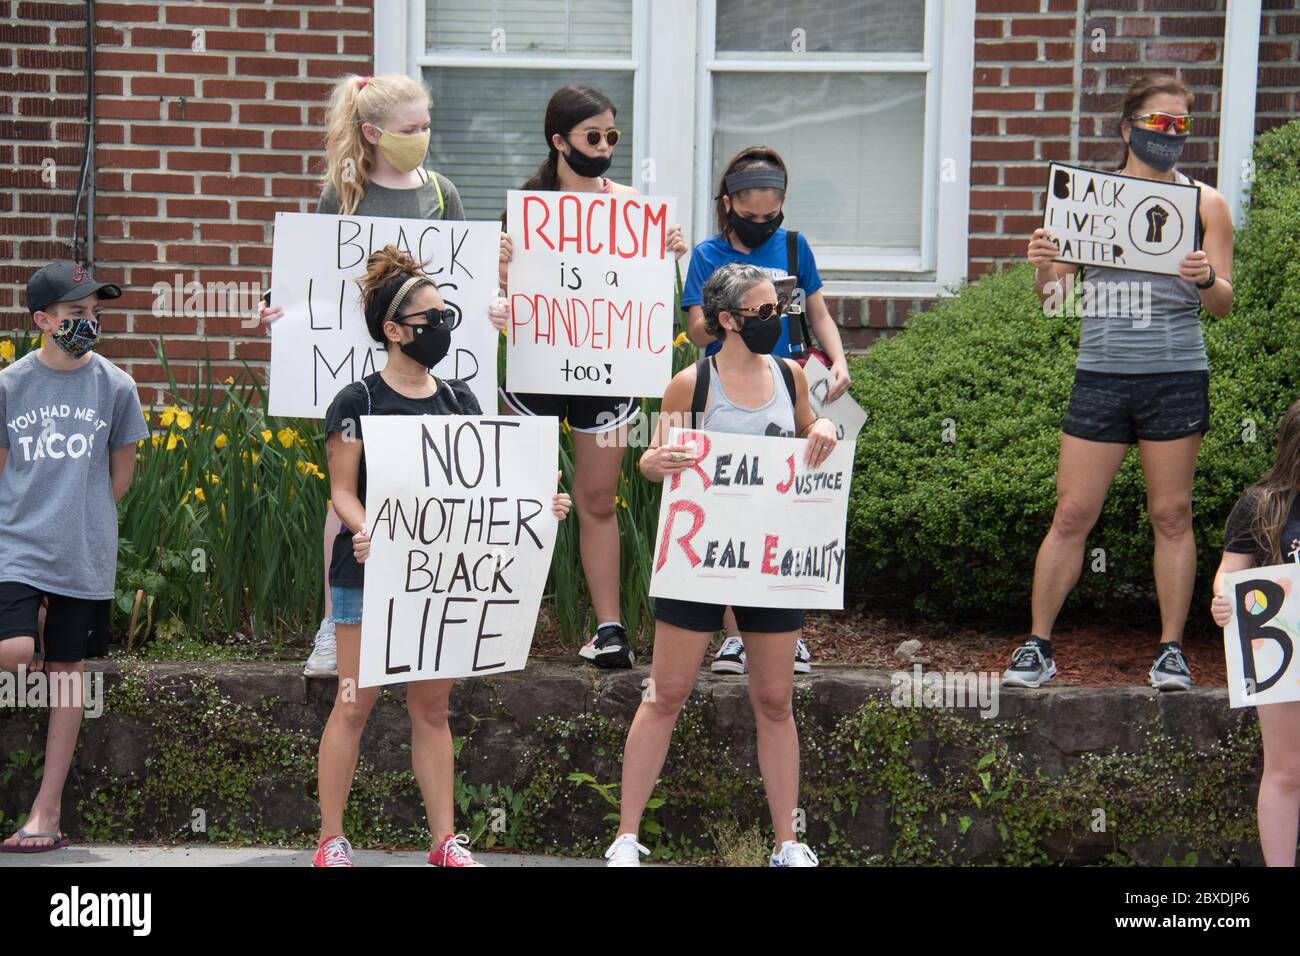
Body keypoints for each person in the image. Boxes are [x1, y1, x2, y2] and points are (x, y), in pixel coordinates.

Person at [312, 246, 571, 867]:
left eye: (447, 315)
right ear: (394, 331)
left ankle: (443, 841)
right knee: (354, 700)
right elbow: (342, 490)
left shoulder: (458, 400)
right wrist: (366, 527)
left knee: (432, 708)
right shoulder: (357, 402)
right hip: (371, 570)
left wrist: (539, 506)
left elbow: (485, 490)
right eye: (429, 320)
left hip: (437, 579)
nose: (443, 328)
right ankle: (330, 838)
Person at [258, 73, 506, 678]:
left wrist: (492, 305)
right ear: (371, 133)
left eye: (426, 126)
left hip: (420, 368)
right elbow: (316, 277)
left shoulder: (442, 193)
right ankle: (332, 623)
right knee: (346, 491)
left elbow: (464, 283)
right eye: (409, 129)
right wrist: (279, 312)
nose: (421, 137)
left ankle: (426, 613)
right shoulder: (340, 195)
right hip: (357, 369)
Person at [1003, 73, 1234, 691]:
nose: (1171, 134)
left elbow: (1224, 305)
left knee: (1172, 514)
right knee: (1073, 511)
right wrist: (1046, 263)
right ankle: (1038, 644)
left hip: (1176, 372)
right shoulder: (1089, 199)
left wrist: (1207, 277)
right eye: (1160, 122)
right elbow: (1056, 300)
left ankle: (1171, 650)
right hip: (1101, 372)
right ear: (1128, 126)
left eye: (1182, 123)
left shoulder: (1205, 203)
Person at [604, 263, 836, 867]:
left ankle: (788, 842)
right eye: (763, 313)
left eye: (778, 310)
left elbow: (813, 428)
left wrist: (828, 427)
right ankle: (626, 836)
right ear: (728, 321)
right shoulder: (691, 385)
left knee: (775, 700)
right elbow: (655, 457)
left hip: (770, 559)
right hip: (698, 556)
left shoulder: (791, 377)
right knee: (666, 692)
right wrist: (656, 463)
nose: (777, 320)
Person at [496, 85, 688, 670]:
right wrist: (499, 272)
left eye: (613, 137)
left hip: (608, 372)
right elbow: (498, 297)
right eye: (592, 137)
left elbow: (647, 291)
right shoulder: (527, 208)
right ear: (559, 141)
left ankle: (609, 630)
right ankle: (500, 625)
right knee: (520, 495)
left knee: (598, 499)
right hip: (535, 368)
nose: (605, 147)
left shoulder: (630, 206)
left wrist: (669, 252)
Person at [681, 145, 853, 676]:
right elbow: (694, 330)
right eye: (749, 216)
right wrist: (736, 319)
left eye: (769, 217)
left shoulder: (797, 248)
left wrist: (841, 361)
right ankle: (734, 636)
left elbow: (819, 313)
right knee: (733, 511)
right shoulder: (708, 255)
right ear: (728, 205)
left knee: (790, 511)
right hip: (730, 387)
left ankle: (785, 632)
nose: (761, 224)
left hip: (792, 382)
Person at [0, 262, 148, 852]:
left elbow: (121, 476)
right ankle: (26, 626)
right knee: (13, 654)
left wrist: (81, 520)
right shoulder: (10, 385)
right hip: (17, 546)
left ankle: (47, 810)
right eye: (75, 315)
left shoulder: (116, 387)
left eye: (95, 313)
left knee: (68, 679)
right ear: (42, 320)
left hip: (82, 556)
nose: (89, 323)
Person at [1211, 399, 1300, 866]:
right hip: (1283, 657)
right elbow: (1230, 573)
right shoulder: (1261, 504)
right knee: (1286, 770)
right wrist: (1223, 601)